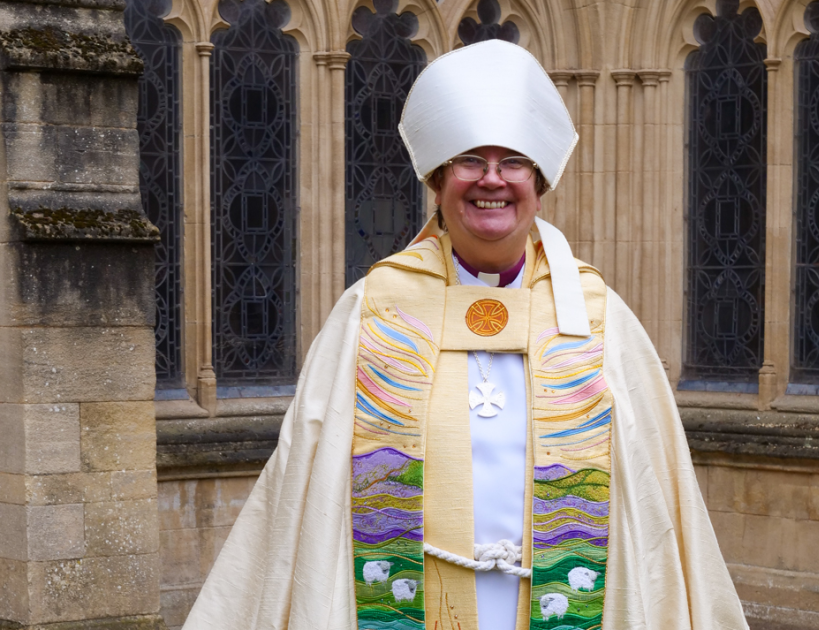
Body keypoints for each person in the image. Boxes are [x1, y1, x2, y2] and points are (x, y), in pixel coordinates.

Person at [182, 40, 749, 630]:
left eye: (513, 162)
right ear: (437, 178)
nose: (492, 181)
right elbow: (306, 481)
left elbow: (657, 495)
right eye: (470, 160)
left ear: (539, 179)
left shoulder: (595, 315)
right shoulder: (373, 310)